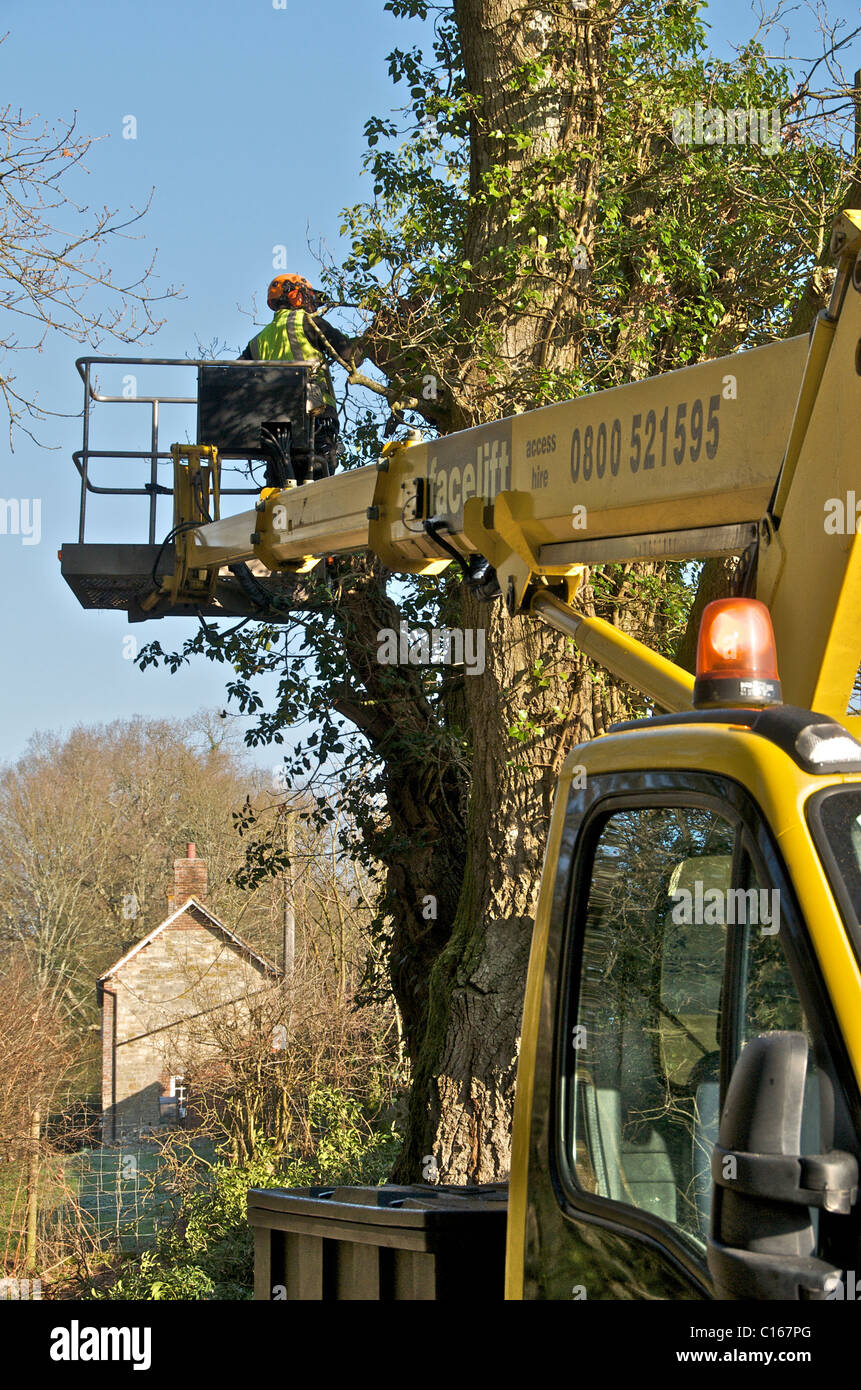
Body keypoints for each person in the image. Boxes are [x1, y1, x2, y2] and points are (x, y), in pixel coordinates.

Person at [240, 274, 364, 476]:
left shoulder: (257, 342)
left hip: (274, 424)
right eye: (307, 296)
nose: (311, 303)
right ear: (295, 295)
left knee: (280, 481)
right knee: (320, 472)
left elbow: (231, 376)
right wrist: (364, 348)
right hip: (315, 412)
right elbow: (351, 357)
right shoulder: (308, 322)